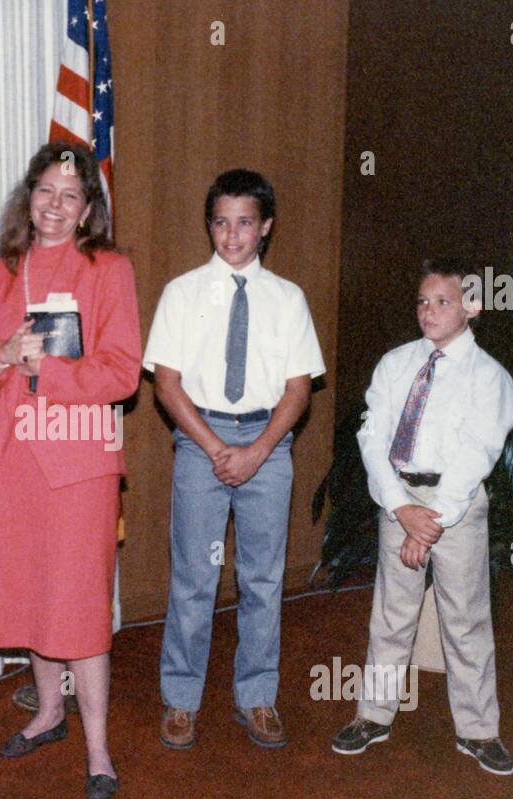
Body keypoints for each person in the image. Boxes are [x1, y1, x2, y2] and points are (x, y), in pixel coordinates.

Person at [0, 141, 140, 799]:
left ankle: (98, 747)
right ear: (27, 196)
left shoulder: (108, 271)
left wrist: (50, 372)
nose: (55, 207)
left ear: (88, 206)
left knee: (81, 606)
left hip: (81, 464)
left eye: (71, 195)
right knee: (32, 595)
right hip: (13, 465)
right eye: (45, 191)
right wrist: (3, 356)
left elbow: (123, 372)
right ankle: (47, 712)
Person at [143, 169, 326, 751]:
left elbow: (298, 390)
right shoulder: (182, 291)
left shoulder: (288, 298)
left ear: (265, 227)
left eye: (245, 222)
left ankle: (257, 696)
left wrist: (257, 451)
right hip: (202, 440)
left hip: (268, 444)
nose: (231, 235)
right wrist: (217, 448)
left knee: (263, 578)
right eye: (220, 222)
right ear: (210, 225)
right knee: (195, 576)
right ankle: (180, 699)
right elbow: (167, 385)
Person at [332, 258, 513, 775]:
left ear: (472, 307)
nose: (429, 311)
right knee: (392, 615)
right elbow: (373, 436)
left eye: (443, 301)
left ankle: (479, 730)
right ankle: (374, 715)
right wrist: (400, 507)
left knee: (465, 619)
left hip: (454, 507)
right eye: (422, 301)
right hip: (401, 500)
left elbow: (477, 451)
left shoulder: (489, 377)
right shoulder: (396, 364)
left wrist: (430, 520)